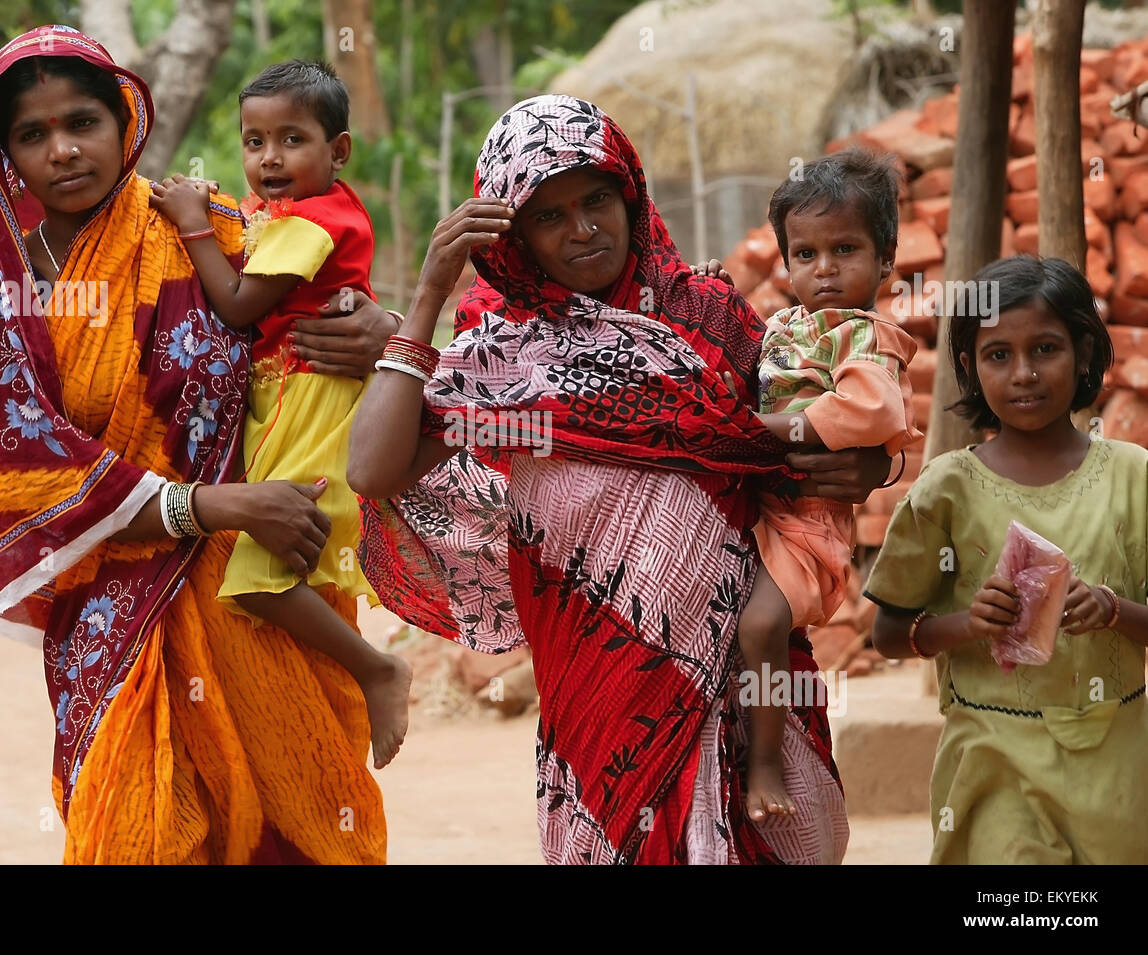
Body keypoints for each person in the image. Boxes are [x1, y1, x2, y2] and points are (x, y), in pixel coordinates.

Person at [348, 95, 892, 864]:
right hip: (596, 672)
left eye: (597, 198)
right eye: (548, 214)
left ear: (630, 194)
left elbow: (794, 436)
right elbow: (371, 468)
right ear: (512, 239)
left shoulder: (707, 317)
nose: (582, 228)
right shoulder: (500, 357)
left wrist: (876, 462)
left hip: (735, 670)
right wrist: (432, 292)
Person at [0, 25, 396, 864]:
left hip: (265, 589)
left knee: (300, 829)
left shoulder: (208, 230)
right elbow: (29, 475)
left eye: (81, 121)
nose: (63, 150)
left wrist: (385, 331)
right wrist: (211, 504)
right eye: (32, 134)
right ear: (5, 151)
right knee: (146, 834)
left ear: (125, 120)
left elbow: (319, 302)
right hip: (120, 614)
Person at [150, 60, 412, 770]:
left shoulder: (313, 221)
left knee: (260, 574)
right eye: (253, 141)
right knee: (285, 564)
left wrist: (193, 226)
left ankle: (376, 669)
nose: (269, 158)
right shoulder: (308, 211)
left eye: (291, 139)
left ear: (339, 150)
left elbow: (237, 301)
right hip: (290, 394)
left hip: (311, 396)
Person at [865, 255, 1148, 864]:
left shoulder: (1133, 476)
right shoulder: (947, 488)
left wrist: (1112, 608)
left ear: (1083, 354)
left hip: (1115, 769)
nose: (1023, 373)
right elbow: (888, 635)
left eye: (1046, 348)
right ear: (968, 367)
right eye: (998, 355)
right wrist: (969, 623)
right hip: (993, 759)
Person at [727, 149, 922, 823]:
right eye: (805, 254)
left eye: (846, 249)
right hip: (761, 511)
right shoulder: (784, 327)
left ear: (887, 258)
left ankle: (767, 761)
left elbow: (871, 414)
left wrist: (766, 430)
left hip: (809, 527)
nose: (826, 270)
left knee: (761, 624)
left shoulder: (867, 338)